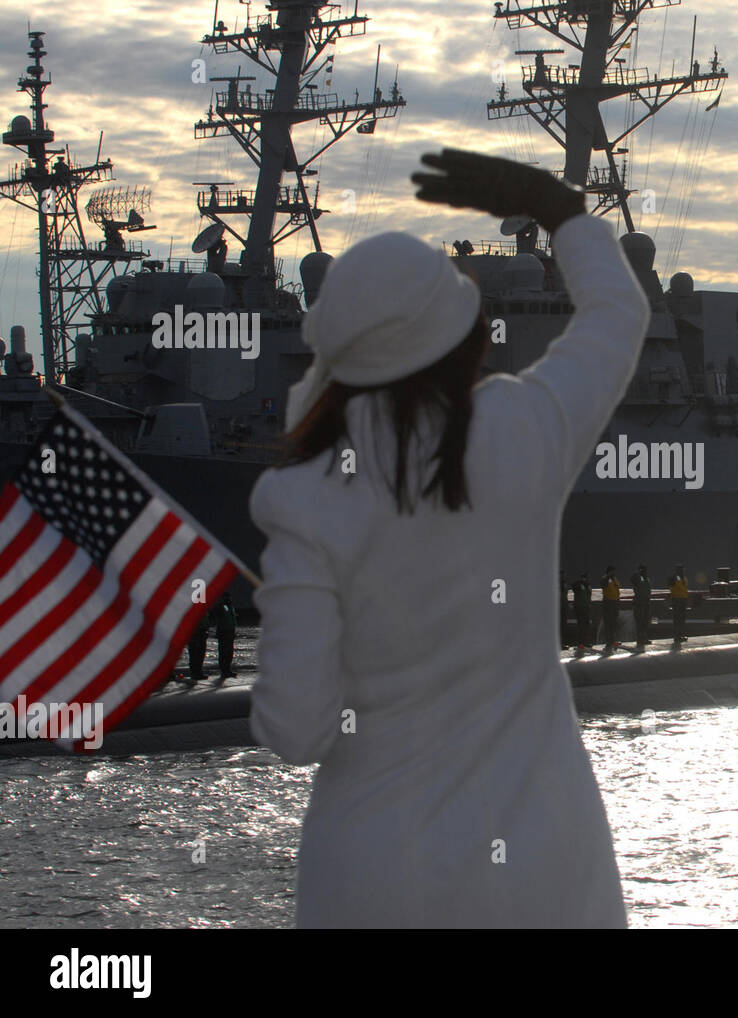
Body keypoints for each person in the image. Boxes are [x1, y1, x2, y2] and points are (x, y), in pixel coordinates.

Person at [248, 147, 648, 927]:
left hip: (372, 882)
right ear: (463, 339)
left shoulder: (298, 500)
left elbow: (295, 729)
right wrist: (556, 207)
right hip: (543, 876)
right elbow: (618, 315)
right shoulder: (526, 428)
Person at [214, 592, 238, 680]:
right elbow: (218, 613)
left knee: (229, 653)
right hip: (223, 632)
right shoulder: (223, 606)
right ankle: (224, 671)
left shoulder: (230, 606)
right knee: (224, 652)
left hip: (230, 631)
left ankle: (227, 669)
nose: (229, 599)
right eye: (227, 598)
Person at [186, 607, 210, 685]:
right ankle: (195, 673)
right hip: (195, 633)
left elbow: (205, 621)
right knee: (194, 653)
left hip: (202, 632)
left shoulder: (203, 610)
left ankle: (198, 672)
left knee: (200, 654)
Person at [601, 565, 620, 653]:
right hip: (608, 602)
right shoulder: (605, 578)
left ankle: (613, 640)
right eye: (612, 571)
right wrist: (608, 576)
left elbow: (617, 590)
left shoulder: (614, 578)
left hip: (615, 602)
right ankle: (609, 642)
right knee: (608, 623)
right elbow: (603, 584)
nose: (614, 573)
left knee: (614, 623)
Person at [632, 564, 653, 647]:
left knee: (645, 621)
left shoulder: (646, 578)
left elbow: (648, 589)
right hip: (639, 602)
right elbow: (633, 579)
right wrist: (638, 573)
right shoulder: (638, 577)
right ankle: (640, 639)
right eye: (643, 570)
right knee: (639, 621)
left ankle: (644, 638)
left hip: (646, 602)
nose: (645, 572)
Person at [572, 572, 592, 649]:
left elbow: (589, 596)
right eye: (584, 578)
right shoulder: (578, 585)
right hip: (579, 607)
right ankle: (580, 643)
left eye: (586, 578)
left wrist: (589, 604)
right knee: (581, 626)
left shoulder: (588, 586)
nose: (585, 579)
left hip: (586, 608)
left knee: (586, 625)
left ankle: (586, 642)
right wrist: (580, 582)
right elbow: (574, 587)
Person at [669, 564, 689, 642]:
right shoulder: (675, 577)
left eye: (683, 570)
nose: (682, 571)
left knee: (682, 619)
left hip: (683, 599)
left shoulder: (684, 578)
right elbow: (671, 584)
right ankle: (677, 636)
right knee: (677, 619)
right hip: (677, 599)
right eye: (681, 570)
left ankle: (681, 635)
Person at [559, 569, 569, 648]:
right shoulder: (558, 584)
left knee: (564, 626)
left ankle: (563, 642)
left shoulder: (564, 583)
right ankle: (559, 643)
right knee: (560, 625)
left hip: (564, 605)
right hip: (560, 606)